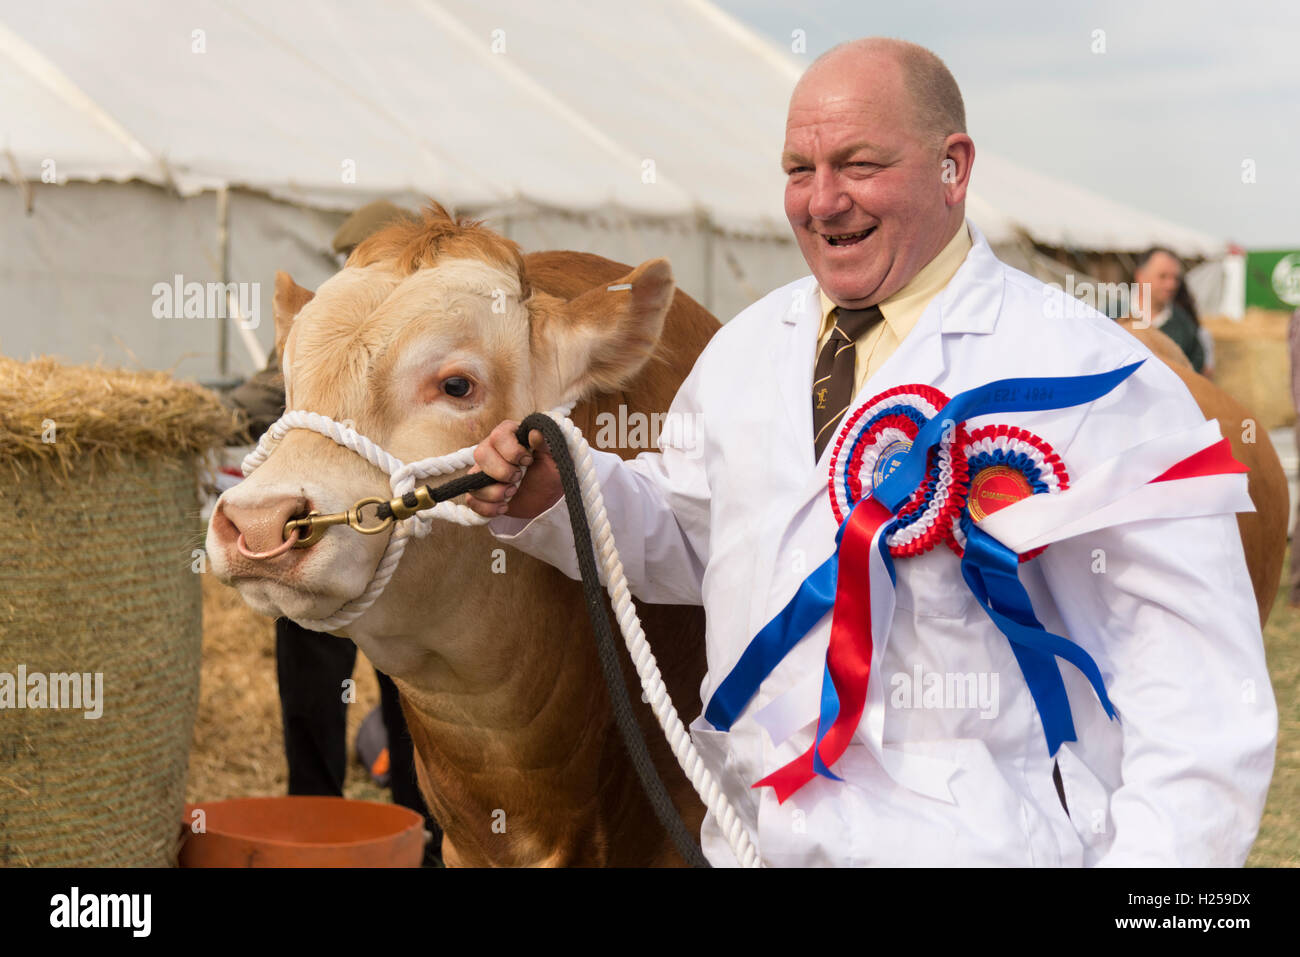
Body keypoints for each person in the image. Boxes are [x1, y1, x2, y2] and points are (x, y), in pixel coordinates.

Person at [466, 38, 1275, 866]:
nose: (822, 201)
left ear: (953, 167)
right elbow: (700, 540)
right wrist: (564, 496)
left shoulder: (1090, 371)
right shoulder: (746, 351)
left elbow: (1195, 701)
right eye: (797, 169)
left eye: (857, 163)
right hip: (752, 839)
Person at [220, 200, 444, 864]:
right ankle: (313, 827)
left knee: (412, 696)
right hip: (313, 534)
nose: (357, 268)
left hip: (397, 545)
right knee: (315, 691)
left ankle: (420, 831)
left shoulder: (428, 335)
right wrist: (195, 416)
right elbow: (266, 396)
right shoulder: (319, 320)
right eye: (355, 258)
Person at [1131, 247, 1210, 374]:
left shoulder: (1185, 326)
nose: (1171, 285)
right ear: (1140, 276)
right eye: (1163, 276)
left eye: (1176, 278)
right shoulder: (1111, 315)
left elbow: (1196, 375)